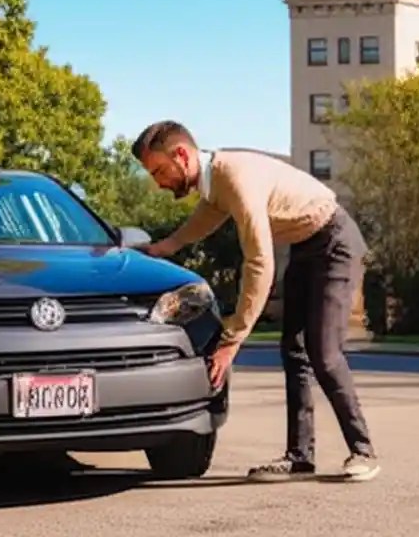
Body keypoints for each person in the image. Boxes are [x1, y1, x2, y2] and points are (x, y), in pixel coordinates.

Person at [131, 120, 380, 483]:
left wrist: (233, 339)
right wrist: (165, 247)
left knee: (324, 353)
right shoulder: (215, 181)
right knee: (294, 351)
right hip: (307, 246)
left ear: (181, 155)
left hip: (335, 243)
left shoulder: (235, 179)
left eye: (159, 170)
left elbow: (260, 263)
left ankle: (363, 451)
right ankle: (300, 456)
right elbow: (209, 215)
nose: (158, 182)